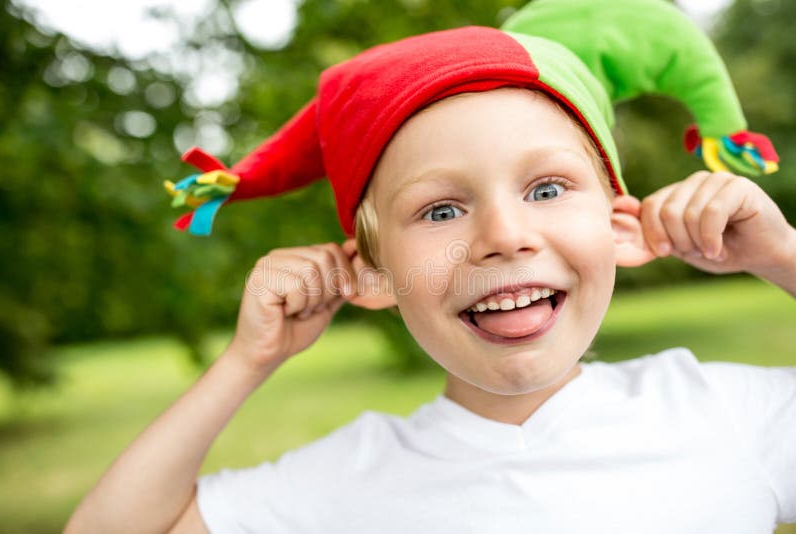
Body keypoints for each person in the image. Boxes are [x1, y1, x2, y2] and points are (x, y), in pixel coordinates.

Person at [66, 1, 795, 532]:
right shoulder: (347, 482)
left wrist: (780, 252)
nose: (505, 237)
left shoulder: (723, 414)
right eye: (442, 210)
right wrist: (247, 361)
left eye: (546, 189)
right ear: (373, 274)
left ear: (621, 227)